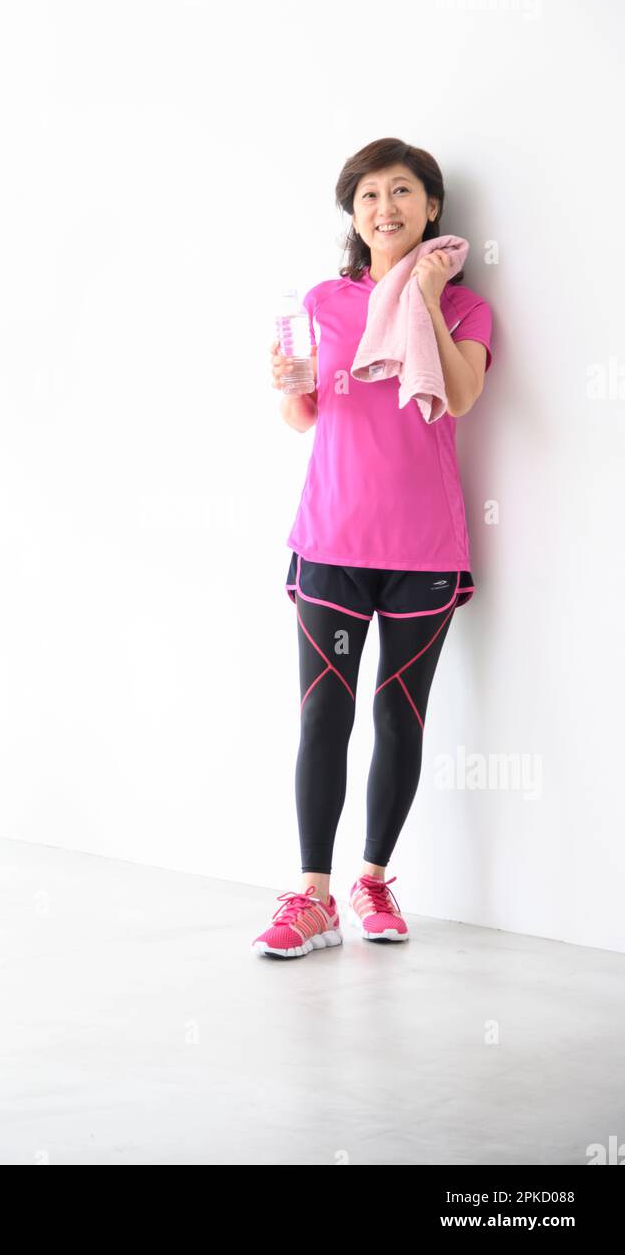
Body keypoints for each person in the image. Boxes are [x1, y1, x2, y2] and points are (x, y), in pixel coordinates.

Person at [252, 137, 494, 959]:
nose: (385, 208)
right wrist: (289, 387)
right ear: (352, 215)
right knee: (325, 712)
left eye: (402, 192)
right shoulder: (324, 300)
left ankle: (374, 879)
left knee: (400, 715)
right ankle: (313, 898)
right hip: (331, 538)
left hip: (424, 548)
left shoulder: (466, 308)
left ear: (431, 208)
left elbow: (458, 396)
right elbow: (308, 416)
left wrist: (423, 296)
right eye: (368, 197)